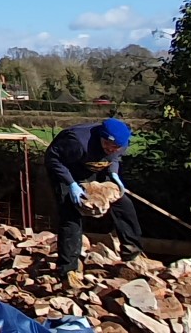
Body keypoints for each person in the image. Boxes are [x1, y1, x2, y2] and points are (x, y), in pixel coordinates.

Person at [44, 117, 146, 279]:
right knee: (71, 213)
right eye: (108, 145)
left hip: (94, 168)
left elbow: (114, 158)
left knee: (123, 203)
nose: (112, 149)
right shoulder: (77, 141)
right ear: (102, 137)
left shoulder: (121, 143)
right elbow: (53, 158)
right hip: (67, 170)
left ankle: (132, 252)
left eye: (116, 147)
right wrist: (71, 184)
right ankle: (68, 269)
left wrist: (113, 174)